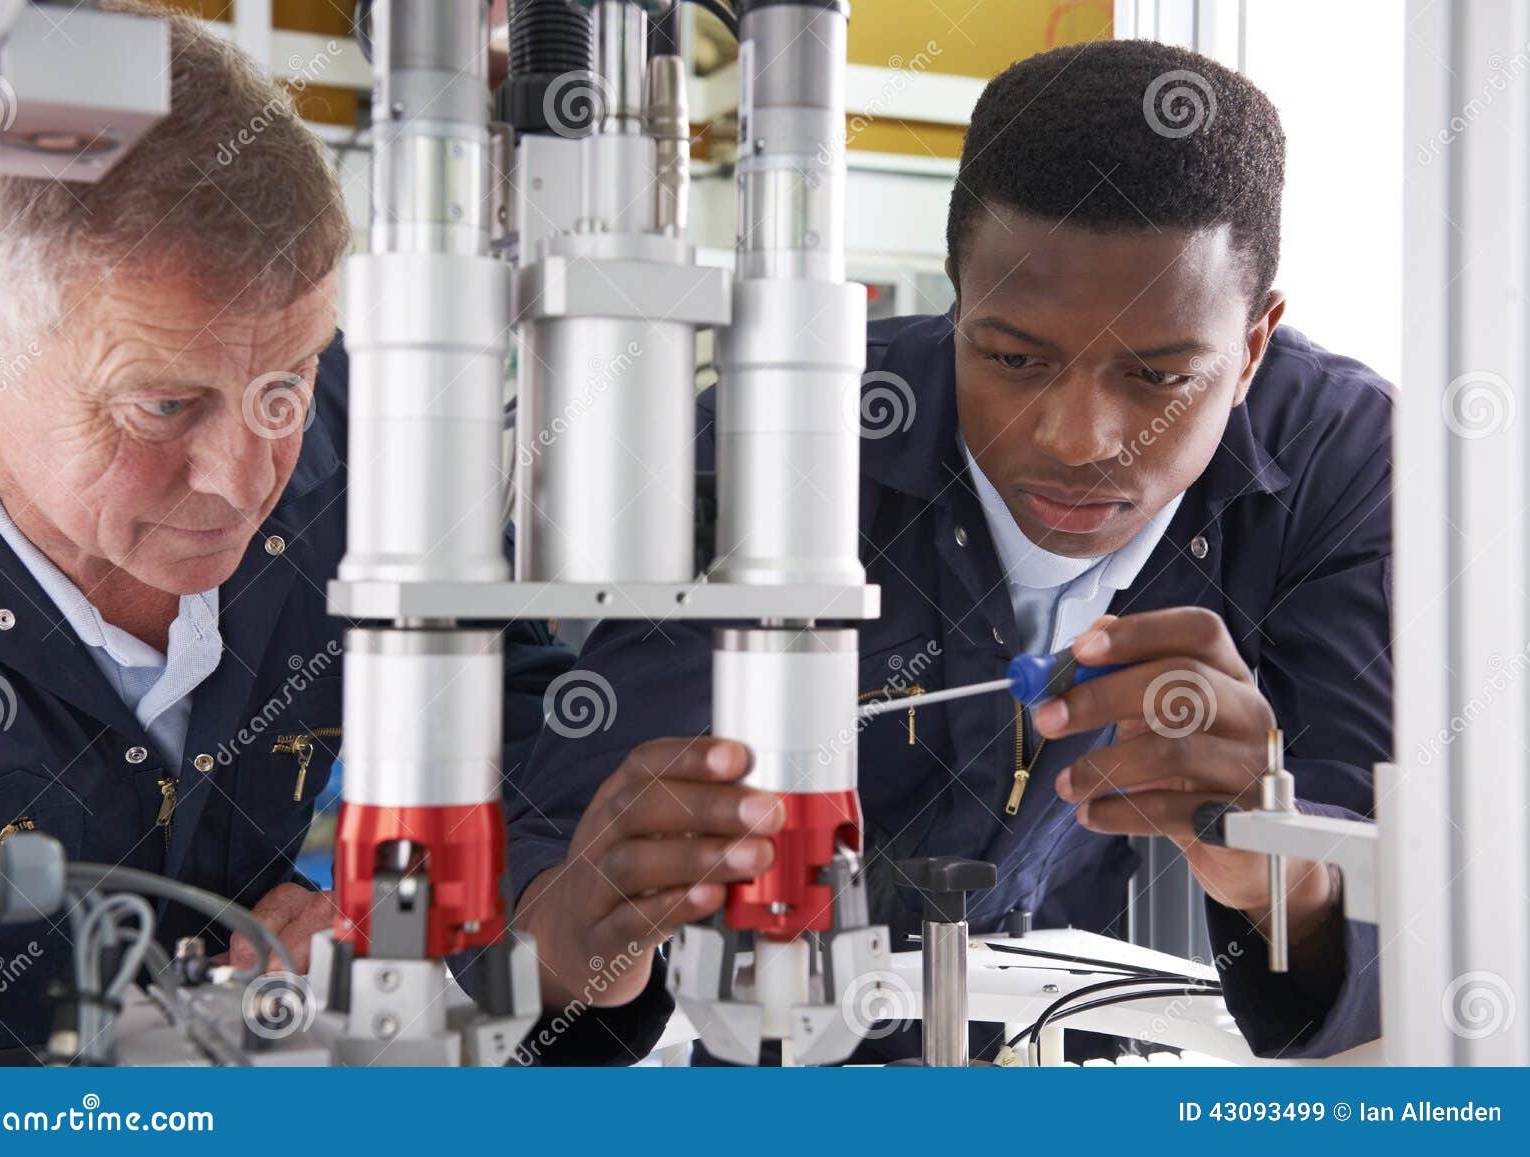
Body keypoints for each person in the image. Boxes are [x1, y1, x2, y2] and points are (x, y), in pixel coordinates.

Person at [504, 39, 1392, 1063]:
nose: (1078, 436)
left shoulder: (1342, 458)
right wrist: (580, 942)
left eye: (1156, 377)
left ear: (1250, 348)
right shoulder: (785, 433)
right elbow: (566, 858)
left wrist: (1282, 867)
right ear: (955, 300)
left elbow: (1398, 911)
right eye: (1013, 358)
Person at [0, 6, 569, 1059]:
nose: (245, 478)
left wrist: (402, 894)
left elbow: (539, 717)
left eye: (283, 383)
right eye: (165, 405)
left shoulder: (366, 439)